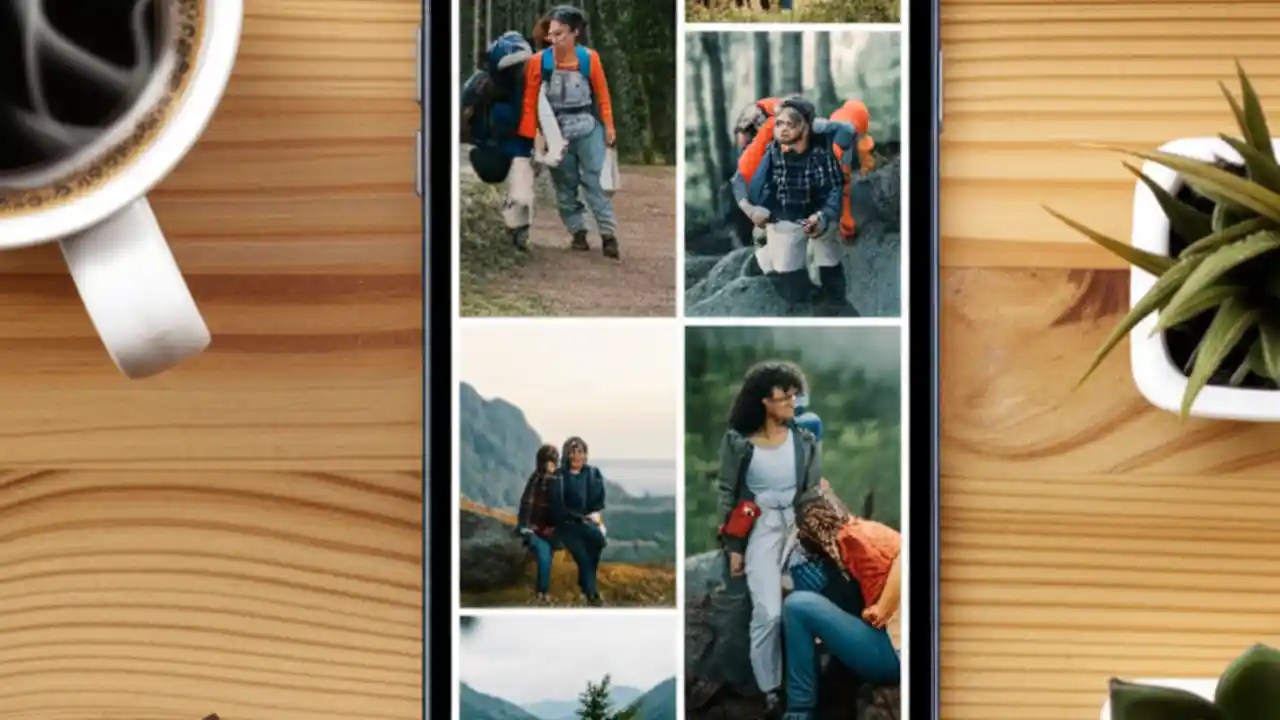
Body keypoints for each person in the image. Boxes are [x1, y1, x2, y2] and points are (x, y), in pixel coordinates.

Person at [716, 360, 821, 714]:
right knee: (768, 614)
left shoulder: (804, 441)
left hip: (799, 531)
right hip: (760, 529)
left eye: (795, 394)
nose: (793, 400)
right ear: (764, 399)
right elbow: (727, 491)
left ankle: (805, 689)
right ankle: (770, 688)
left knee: (804, 609)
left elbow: (812, 492)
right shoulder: (740, 443)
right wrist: (733, 547)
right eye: (785, 394)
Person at [732, 95, 872, 312]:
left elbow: (840, 174)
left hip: (817, 210)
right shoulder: (764, 151)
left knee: (821, 247)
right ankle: (802, 294)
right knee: (771, 248)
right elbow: (742, 180)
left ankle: (829, 297)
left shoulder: (824, 140)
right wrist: (752, 210)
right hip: (784, 216)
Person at [779, 487, 902, 720]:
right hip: (891, 644)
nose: (803, 539)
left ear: (815, 523)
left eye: (804, 529)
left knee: (797, 606)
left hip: (894, 654)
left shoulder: (852, 538)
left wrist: (883, 606)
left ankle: (798, 713)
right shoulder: (859, 535)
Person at [517, 6, 621, 260]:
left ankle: (608, 235)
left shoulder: (589, 59)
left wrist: (608, 126)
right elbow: (529, 103)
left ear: (575, 33)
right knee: (565, 186)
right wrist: (534, 138)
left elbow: (603, 95)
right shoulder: (538, 62)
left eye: (560, 33)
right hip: (555, 132)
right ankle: (578, 232)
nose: (554, 39)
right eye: (552, 34)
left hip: (586, 126)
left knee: (596, 182)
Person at [460, 31, 538, 251]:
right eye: (512, 68)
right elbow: (460, 117)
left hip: (519, 147)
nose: (517, 72)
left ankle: (518, 231)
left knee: (521, 192)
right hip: (487, 149)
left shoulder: (530, 86)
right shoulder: (478, 85)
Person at [550, 435, 609, 606]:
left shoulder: (592, 474)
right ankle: (592, 593)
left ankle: (585, 582)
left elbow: (598, 501)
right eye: (573, 452)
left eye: (580, 452)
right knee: (583, 556)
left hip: (588, 522)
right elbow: (558, 507)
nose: (576, 456)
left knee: (598, 541)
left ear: (585, 454)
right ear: (567, 455)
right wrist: (579, 518)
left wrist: (595, 517)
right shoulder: (559, 476)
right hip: (567, 525)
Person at [514, 443, 562, 605]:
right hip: (532, 528)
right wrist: (528, 527)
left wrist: (554, 527)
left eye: (553, 462)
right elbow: (526, 505)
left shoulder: (559, 482)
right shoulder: (535, 480)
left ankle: (542, 592)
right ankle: (541, 592)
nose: (550, 466)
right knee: (544, 552)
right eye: (547, 462)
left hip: (550, 529)